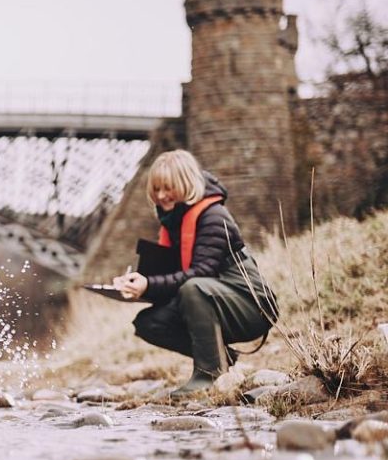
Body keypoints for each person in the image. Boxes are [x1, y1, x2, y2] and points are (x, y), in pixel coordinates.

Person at [113, 150, 277, 396]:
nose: (160, 195)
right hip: (214, 299)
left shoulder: (213, 216)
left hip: (252, 304)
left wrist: (149, 284)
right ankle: (223, 357)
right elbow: (173, 282)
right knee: (149, 323)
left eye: (167, 187)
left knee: (194, 288)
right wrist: (136, 286)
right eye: (156, 189)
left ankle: (209, 373)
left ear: (185, 184)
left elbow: (201, 273)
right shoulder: (174, 222)